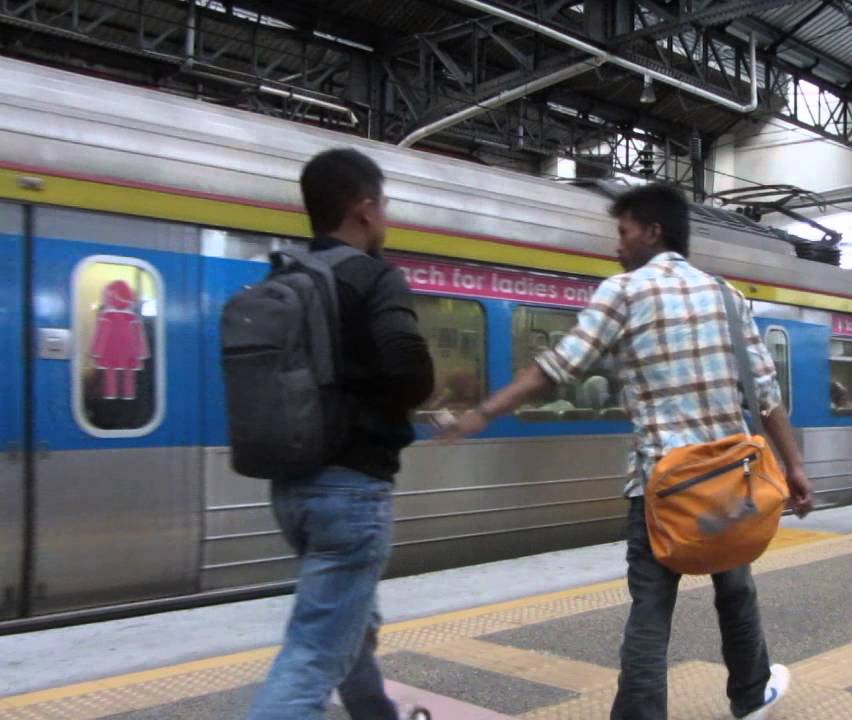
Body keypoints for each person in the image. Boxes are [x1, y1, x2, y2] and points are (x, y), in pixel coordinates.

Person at [437, 184, 814, 720]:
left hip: (662, 486)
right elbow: (768, 394)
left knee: (651, 616)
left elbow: (558, 367)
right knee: (734, 587)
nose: (617, 245)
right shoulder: (727, 296)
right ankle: (750, 694)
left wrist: (483, 412)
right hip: (731, 482)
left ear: (653, 231)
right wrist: (796, 469)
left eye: (623, 232)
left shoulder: (622, 292)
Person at [247, 149, 434, 720]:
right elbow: (409, 372)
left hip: (292, 489)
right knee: (312, 653)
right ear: (363, 208)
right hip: (350, 491)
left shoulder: (286, 276)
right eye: (383, 206)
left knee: (351, 618)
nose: (386, 219)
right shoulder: (375, 277)